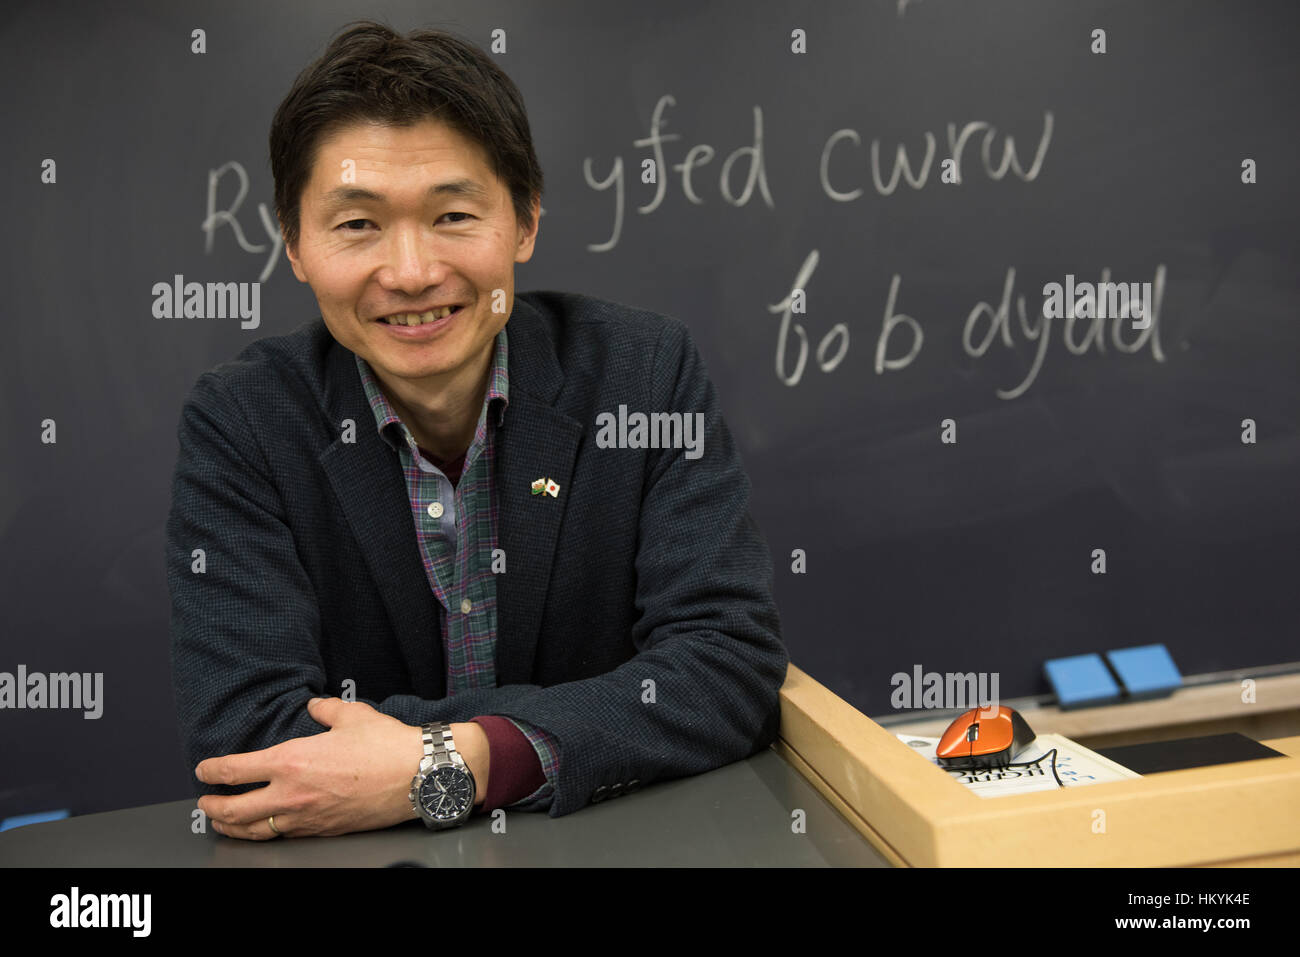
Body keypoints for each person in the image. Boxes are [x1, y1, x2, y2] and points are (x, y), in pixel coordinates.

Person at [166, 19, 787, 841]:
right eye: (357, 225)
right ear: (295, 244)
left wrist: (456, 760)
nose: (413, 271)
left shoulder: (644, 374)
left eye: (454, 214)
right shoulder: (243, 423)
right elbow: (248, 741)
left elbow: (727, 666)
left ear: (525, 221)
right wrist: (572, 727)